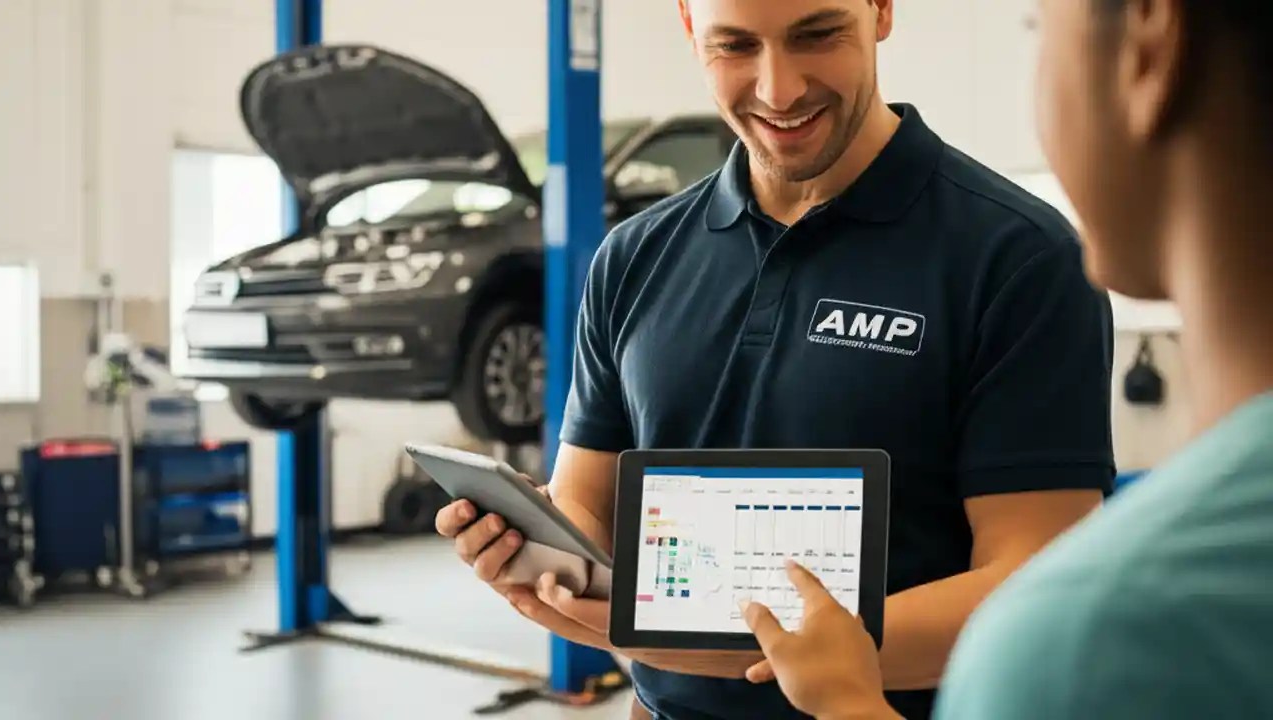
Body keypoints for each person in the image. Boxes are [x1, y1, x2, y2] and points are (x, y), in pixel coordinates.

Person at [436, 0, 1118, 718]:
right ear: (689, 27)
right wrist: (536, 546)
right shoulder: (634, 259)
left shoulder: (1019, 259)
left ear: (881, 10)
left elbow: (1031, 587)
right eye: (735, 46)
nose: (778, 89)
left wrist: (736, 652)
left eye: (816, 35)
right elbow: (592, 507)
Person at [737, 0, 1273, 718]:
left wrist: (848, 703)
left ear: (1151, 41)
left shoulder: (1088, 646)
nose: (778, 89)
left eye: (1039, 31)